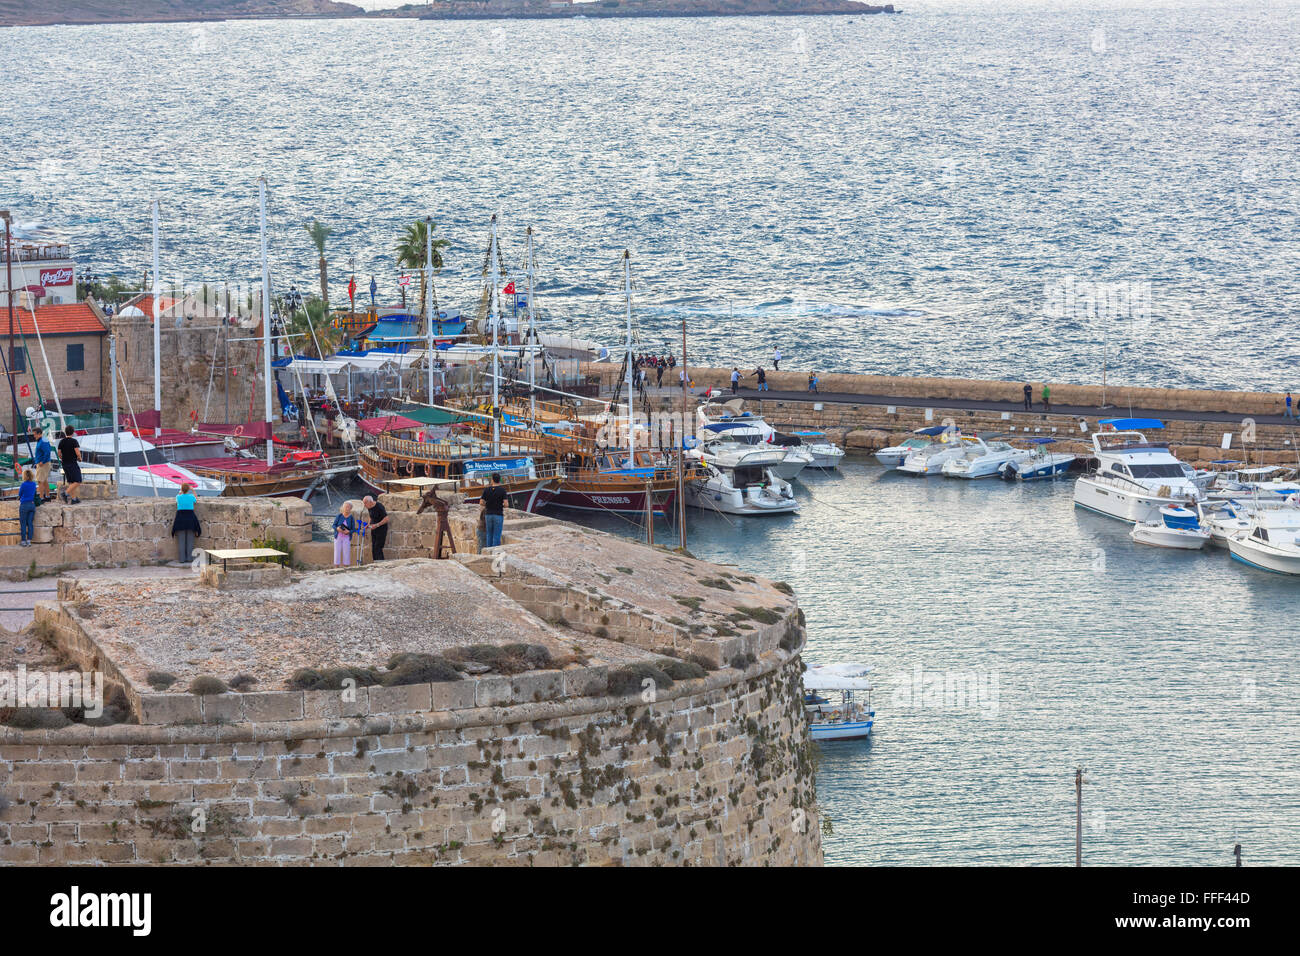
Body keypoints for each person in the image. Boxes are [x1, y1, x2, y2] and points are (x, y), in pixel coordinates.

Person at [171, 482, 201, 563]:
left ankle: (182, 559)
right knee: (190, 540)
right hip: (190, 520)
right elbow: (196, 498)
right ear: (188, 490)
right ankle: (189, 558)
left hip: (180, 520)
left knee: (181, 541)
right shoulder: (191, 497)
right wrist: (193, 490)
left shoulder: (178, 497)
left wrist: (180, 491)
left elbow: (178, 496)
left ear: (182, 489)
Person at [480, 472, 508, 549]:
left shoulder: (487, 490)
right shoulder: (502, 490)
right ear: (499, 480)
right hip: (498, 514)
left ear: (492, 480)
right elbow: (506, 504)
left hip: (488, 514)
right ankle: (495, 552)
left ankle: (489, 551)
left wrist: (488, 504)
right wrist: (499, 505)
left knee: (489, 534)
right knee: (496, 535)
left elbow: (481, 502)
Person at [57, 425, 82, 504]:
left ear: (65, 432)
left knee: (71, 482)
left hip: (65, 464)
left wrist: (63, 458)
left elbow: (59, 454)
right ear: (73, 432)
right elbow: (77, 453)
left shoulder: (61, 441)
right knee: (78, 481)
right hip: (72, 463)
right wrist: (80, 458)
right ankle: (65, 493)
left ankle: (74, 499)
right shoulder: (74, 441)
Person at [363, 494, 389, 561]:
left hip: (381, 529)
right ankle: (375, 563)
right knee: (373, 548)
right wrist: (368, 524)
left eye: (365, 503)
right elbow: (371, 517)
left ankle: (380, 564)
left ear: (370, 502)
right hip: (374, 529)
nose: (364, 505)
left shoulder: (379, 506)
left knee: (378, 547)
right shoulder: (369, 507)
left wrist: (377, 525)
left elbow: (386, 519)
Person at [32, 426, 53, 502]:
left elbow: (47, 452)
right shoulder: (42, 440)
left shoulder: (43, 441)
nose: (34, 436)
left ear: (39, 434)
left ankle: (41, 498)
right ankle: (47, 496)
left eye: (35, 434)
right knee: (44, 480)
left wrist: (42, 462)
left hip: (43, 464)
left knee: (40, 481)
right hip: (43, 463)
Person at [18, 468, 37, 547]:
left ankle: (23, 541)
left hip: (24, 505)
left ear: (24, 476)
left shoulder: (23, 484)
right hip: (32, 505)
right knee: (30, 523)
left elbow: (20, 494)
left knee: (23, 523)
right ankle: (29, 541)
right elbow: (34, 493)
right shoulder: (34, 484)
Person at [332, 501, 355, 567]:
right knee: (337, 552)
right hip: (338, 536)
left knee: (346, 552)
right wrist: (337, 529)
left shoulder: (351, 518)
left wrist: (349, 532)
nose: (346, 508)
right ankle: (336, 567)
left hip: (346, 537)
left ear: (351, 509)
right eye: (345, 507)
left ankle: (346, 567)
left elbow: (353, 529)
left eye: (348, 507)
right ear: (343, 507)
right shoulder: (339, 516)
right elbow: (333, 525)